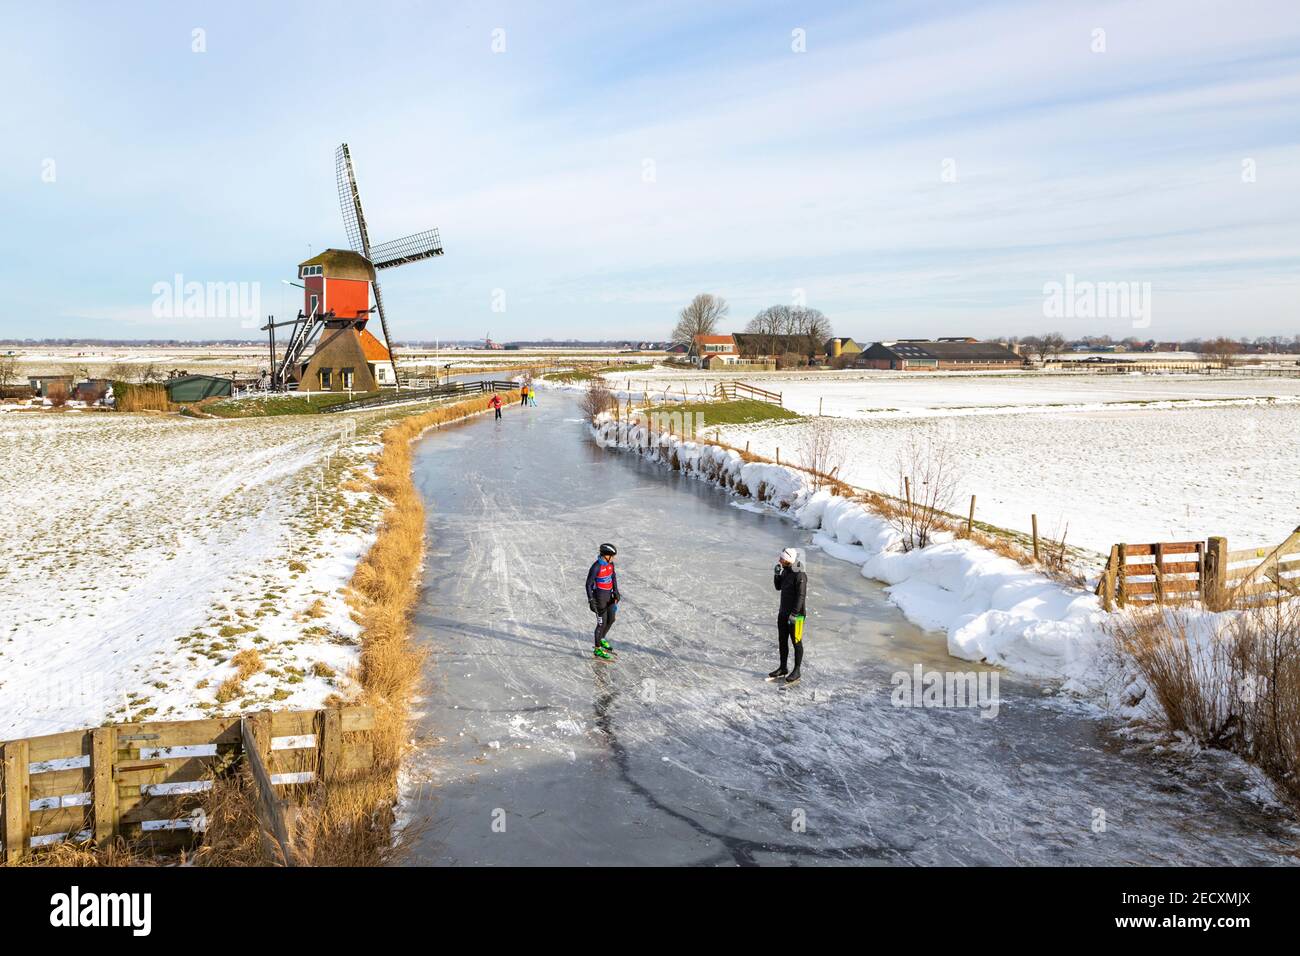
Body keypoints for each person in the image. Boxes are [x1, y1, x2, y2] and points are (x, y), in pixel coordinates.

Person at [769, 547, 806, 684]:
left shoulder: (800, 574)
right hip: (783, 613)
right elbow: (778, 587)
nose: (779, 560)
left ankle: (797, 670)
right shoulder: (785, 571)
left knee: (796, 642)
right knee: (782, 640)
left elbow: (801, 596)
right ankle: (783, 667)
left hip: (797, 616)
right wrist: (777, 575)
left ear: (789, 559)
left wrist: (794, 614)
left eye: (782, 558)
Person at [585, 543, 620, 661]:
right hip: (599, 599)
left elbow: (613, 577)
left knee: (611, 619)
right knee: (601, 623)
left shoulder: (611, 565)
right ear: (606, 555)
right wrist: (590, 600)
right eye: (612, 556)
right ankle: (597, 648)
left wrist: (616, 591)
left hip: (609, 596)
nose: (613, 558)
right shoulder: (596, 567)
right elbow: (588, 584)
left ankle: (602, 639)